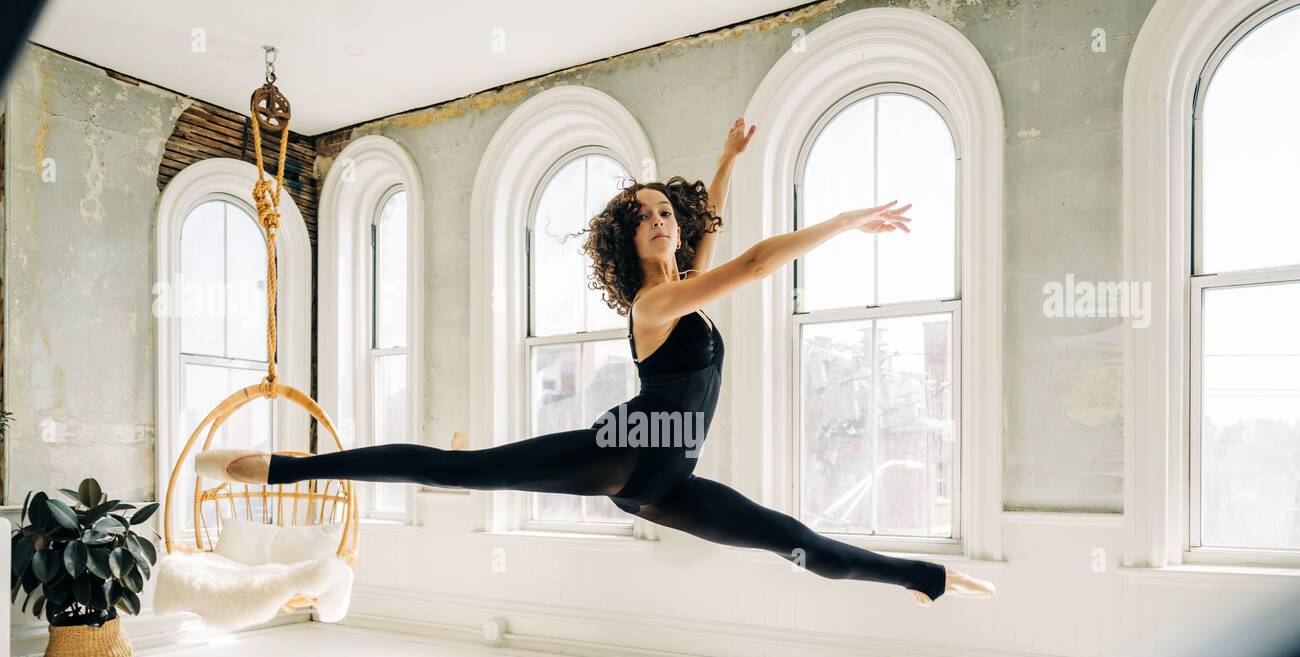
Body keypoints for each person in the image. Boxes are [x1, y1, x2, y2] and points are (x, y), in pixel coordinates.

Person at [198, 116, 994, 605]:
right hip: (621, 454)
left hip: (663, 487)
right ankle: (285, 470)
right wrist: (851, 218)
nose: (656, 221)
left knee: (792, 539)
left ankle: (925, 581)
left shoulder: (683, 284)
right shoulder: (655, 306)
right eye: (641, 216)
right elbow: (750, 262)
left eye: (662, 212)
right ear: (628, 240)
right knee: (459, 473)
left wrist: (727, 160)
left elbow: (711, 233)